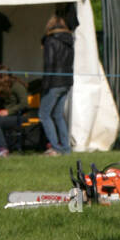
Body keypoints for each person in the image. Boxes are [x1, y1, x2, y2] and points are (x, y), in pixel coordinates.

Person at [39, 15, 74, 156]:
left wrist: (45, 85)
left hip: (54, 82)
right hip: (66, 82)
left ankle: (56, 147)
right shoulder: (69, 41)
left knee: (44, 114)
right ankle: (66, 148)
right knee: (58, 115)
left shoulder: (51, 41)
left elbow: (49, 64)